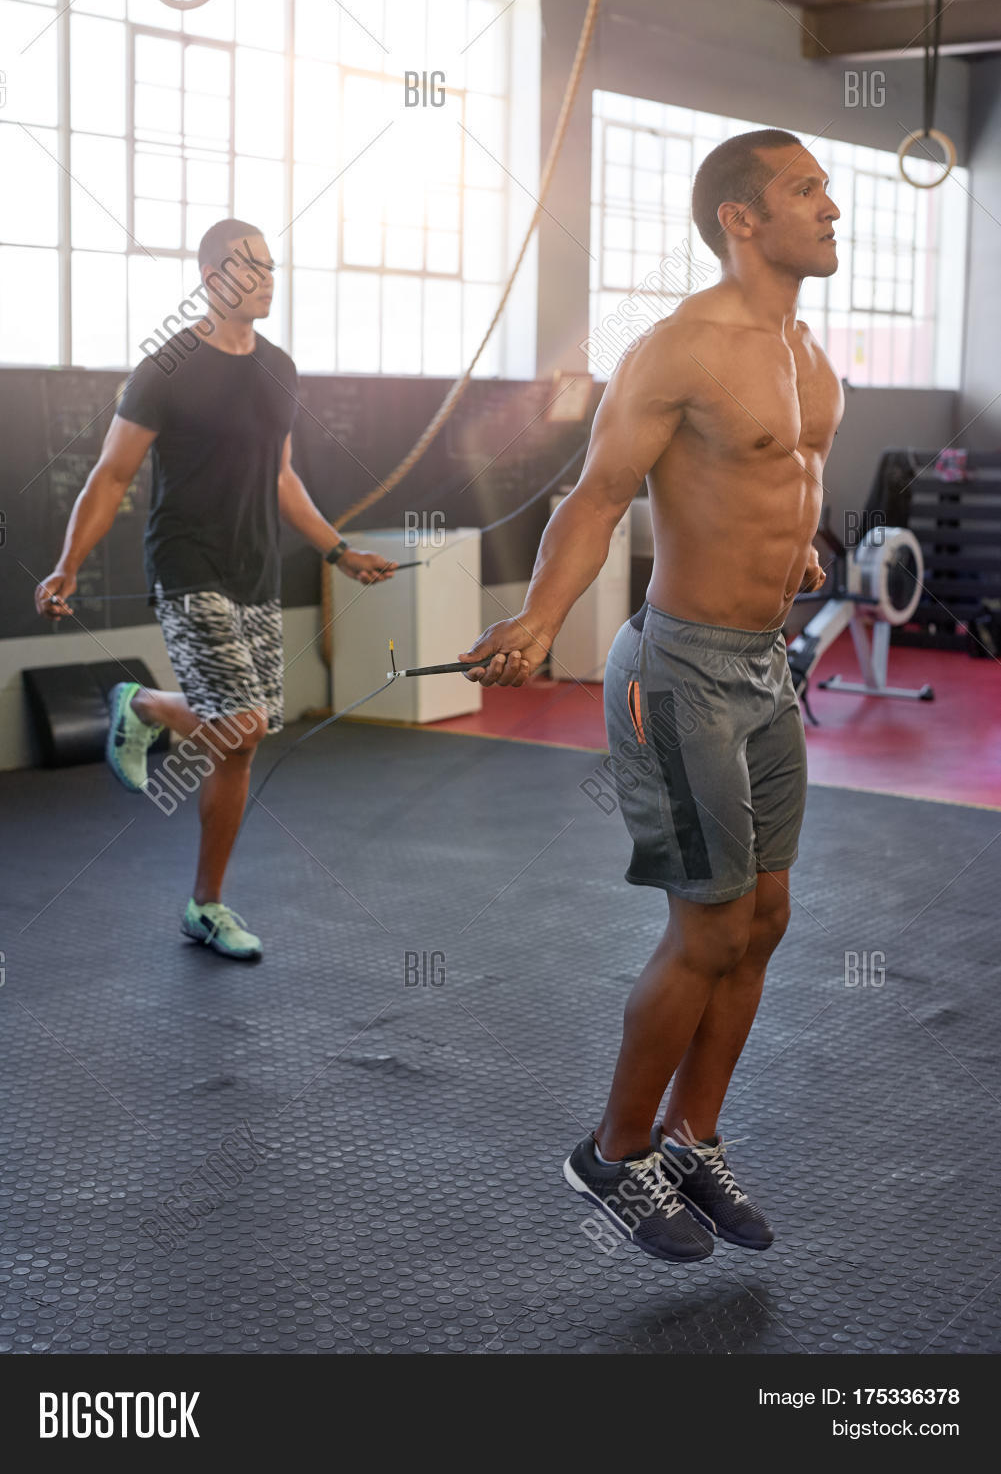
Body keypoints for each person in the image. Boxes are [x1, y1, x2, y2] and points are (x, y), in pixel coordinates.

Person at [459, 131, 841, 1261]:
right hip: (676, 673)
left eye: (826, 189)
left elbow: (777, 493)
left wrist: (798, 556)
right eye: (804, 189)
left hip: (768, 670)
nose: (830, 207)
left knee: (763, 920)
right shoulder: (678, 348)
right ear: (738, 217)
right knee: (708, 923)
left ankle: (691, 1138)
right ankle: (612, 1154)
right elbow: (596, 496)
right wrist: (534, 620)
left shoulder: (811, 356)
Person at [34, 219, 396, 961]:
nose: (267, 277)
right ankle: (140, 704)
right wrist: (70, 561)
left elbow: (282, 476)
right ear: (209, 277)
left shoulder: (280, 367)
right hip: (186, 562)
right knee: (242, 723)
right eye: (249, 266)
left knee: (239, 746)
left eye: (271, 266)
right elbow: (111, 475)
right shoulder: (165, 369)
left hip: (255, 569)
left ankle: (205, 905)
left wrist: (337, 551)